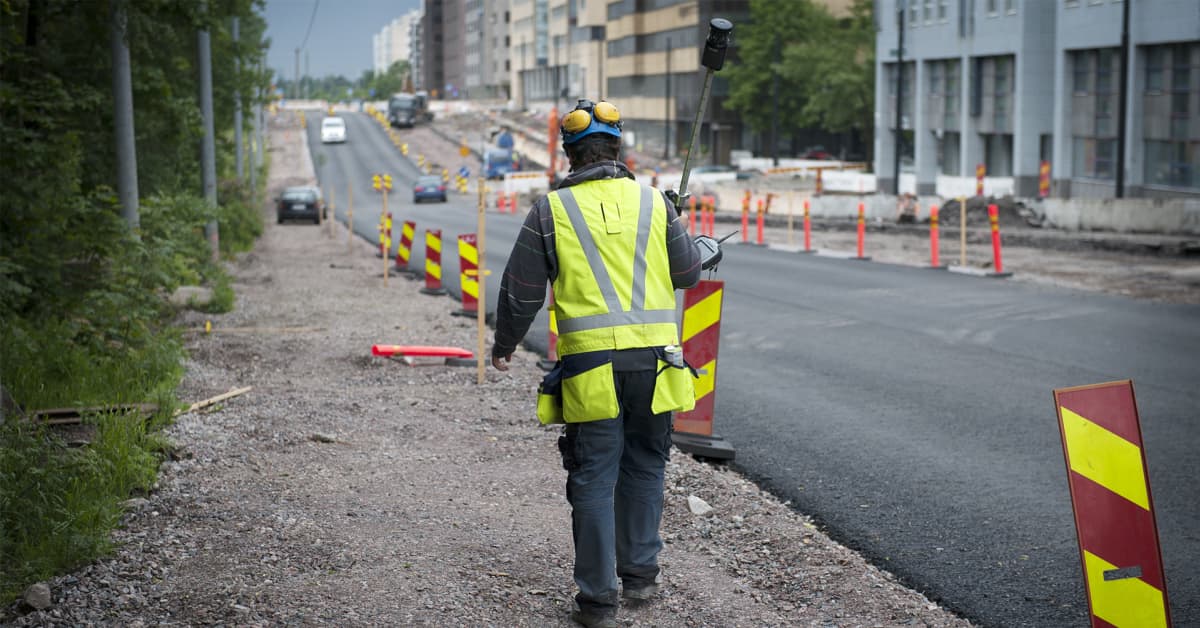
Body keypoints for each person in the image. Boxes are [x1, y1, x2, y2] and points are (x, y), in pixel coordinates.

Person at [491, 98, 702, 628]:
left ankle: (598, 602)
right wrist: (674, 222)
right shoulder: (657, 204)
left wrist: (504, 345)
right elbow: (687, 274)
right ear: (618, 148)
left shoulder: (550, 211)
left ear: (569, 154)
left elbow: (521, 291)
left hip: (591, 370)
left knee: (593, 476)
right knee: (646, 465)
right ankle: (641, 577)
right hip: (657, 365)